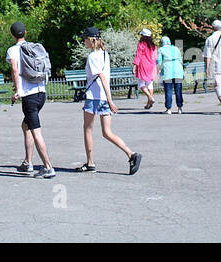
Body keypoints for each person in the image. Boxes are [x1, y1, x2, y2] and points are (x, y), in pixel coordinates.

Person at [76, 28, 142, 174]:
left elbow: (102, 78)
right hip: (104, 98)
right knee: (107, 132)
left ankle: (90, 163)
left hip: (94, 97)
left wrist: (111, 100)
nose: (84, 41)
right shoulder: (105, 54)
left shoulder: (92, 57)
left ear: (92, 40)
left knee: (87, 129)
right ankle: (131, 154)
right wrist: (108, 99)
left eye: (85, 38)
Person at [7, 21, 56, 178]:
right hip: (41, 92)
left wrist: (17, 91)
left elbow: (15, 70)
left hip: (29, 96)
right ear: (25, 33)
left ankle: (48, 167)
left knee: (36, 131)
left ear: (12, 35)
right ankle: (28, 163)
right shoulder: (34, 48)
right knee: (26, 125)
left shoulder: (13, 51)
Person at [158, 35, 184, 114]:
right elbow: (180, 60)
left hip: (167, 70)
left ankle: (168, 109)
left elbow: (159, 61)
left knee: (168, 91)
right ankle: (180, 108)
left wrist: (159, 69)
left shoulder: (161, 49)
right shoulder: (176, 48)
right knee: (178, 90)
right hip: (178, 70)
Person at [134, 28, 158, 109]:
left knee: (141, 84)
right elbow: (155, 57)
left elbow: (138, 55)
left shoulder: (141, 44)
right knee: (149, 84)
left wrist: (134, 66)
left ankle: (150, 98)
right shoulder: (153, 45)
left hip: (143, 64)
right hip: (151, 65)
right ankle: (149, 103)